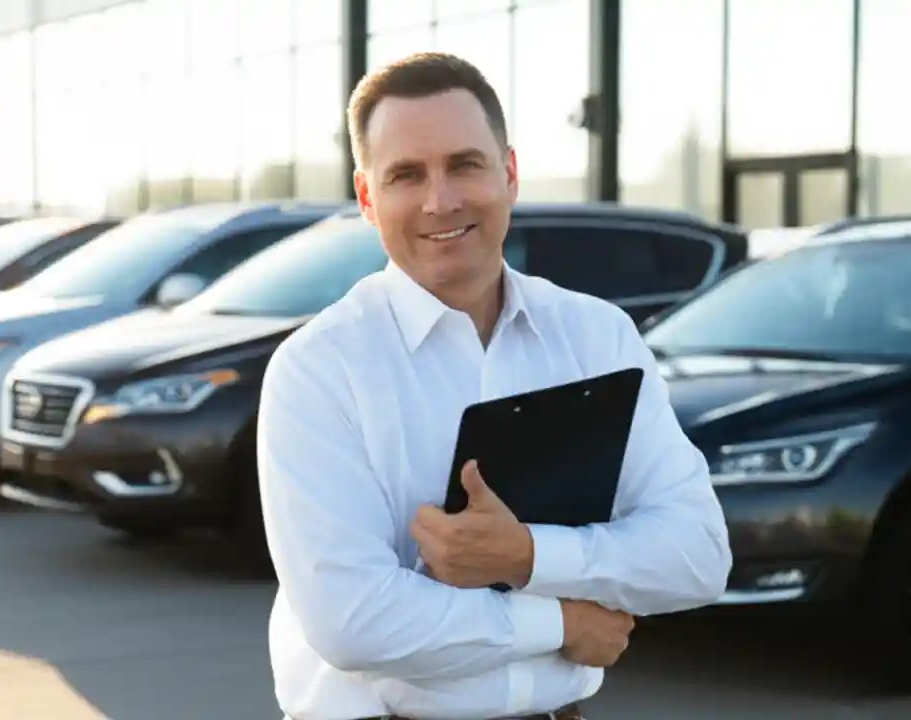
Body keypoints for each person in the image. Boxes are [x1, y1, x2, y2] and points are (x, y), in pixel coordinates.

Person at [256, 52, 732, 720]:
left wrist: (527, 555)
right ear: (366, 198)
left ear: (508, 173)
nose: (440, 200)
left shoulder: (598, 338)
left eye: (464, 164)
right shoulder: (320, 368)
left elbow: (698, 555)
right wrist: (561, 623)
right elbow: (352, 620)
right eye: (406, 175)